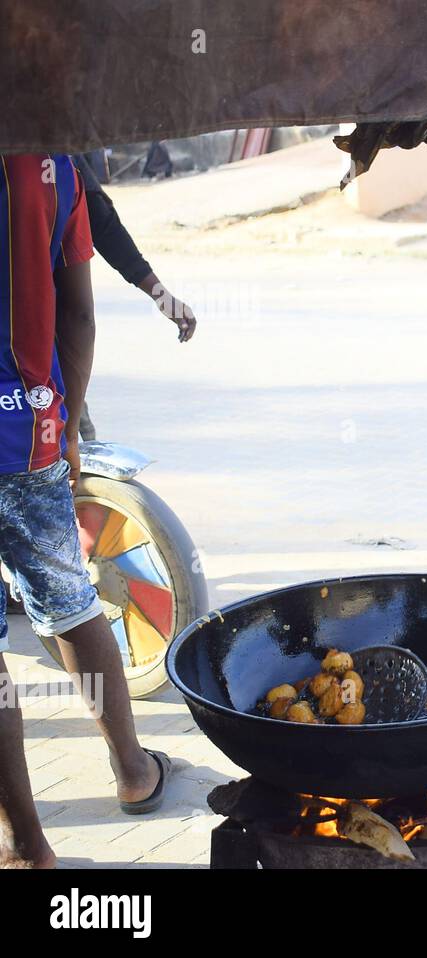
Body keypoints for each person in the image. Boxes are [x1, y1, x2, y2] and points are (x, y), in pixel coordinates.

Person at [0, 153, 173, 869]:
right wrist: (64, 426)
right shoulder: (53, 164)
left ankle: (26, 844)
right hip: (30, 425)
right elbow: (78, 312)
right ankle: (132, 770)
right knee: (70, 602)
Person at [70, 152, 196, 441]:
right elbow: (81, 318)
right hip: (40, 363)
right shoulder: (59, 158)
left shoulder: (60, 159)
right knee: (72, 449)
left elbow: (103, 226)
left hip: (41, 362)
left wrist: (162, 296)